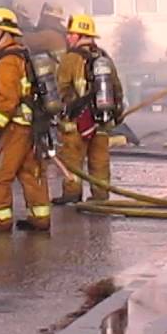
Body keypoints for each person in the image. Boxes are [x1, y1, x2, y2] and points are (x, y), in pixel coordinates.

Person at [0, 7, 51, 233]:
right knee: (30, 172)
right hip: (29, 126)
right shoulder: (21, 54)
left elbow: (7, 100)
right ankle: (40, 219)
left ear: (3, 33)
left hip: (13, 127)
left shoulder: (7, 60)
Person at [52, 13, 124, 204]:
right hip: (102, 118)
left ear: (78, 35)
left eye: (71, 34)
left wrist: (60, 111)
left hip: (78, 121)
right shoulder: (103, 56)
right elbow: (116, 86)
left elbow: (61, 88)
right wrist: (117, 112)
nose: (68, 37)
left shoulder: (70, 58)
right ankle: (100, 195)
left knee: (72, 160)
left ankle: (72, 194)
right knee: (99, 160)